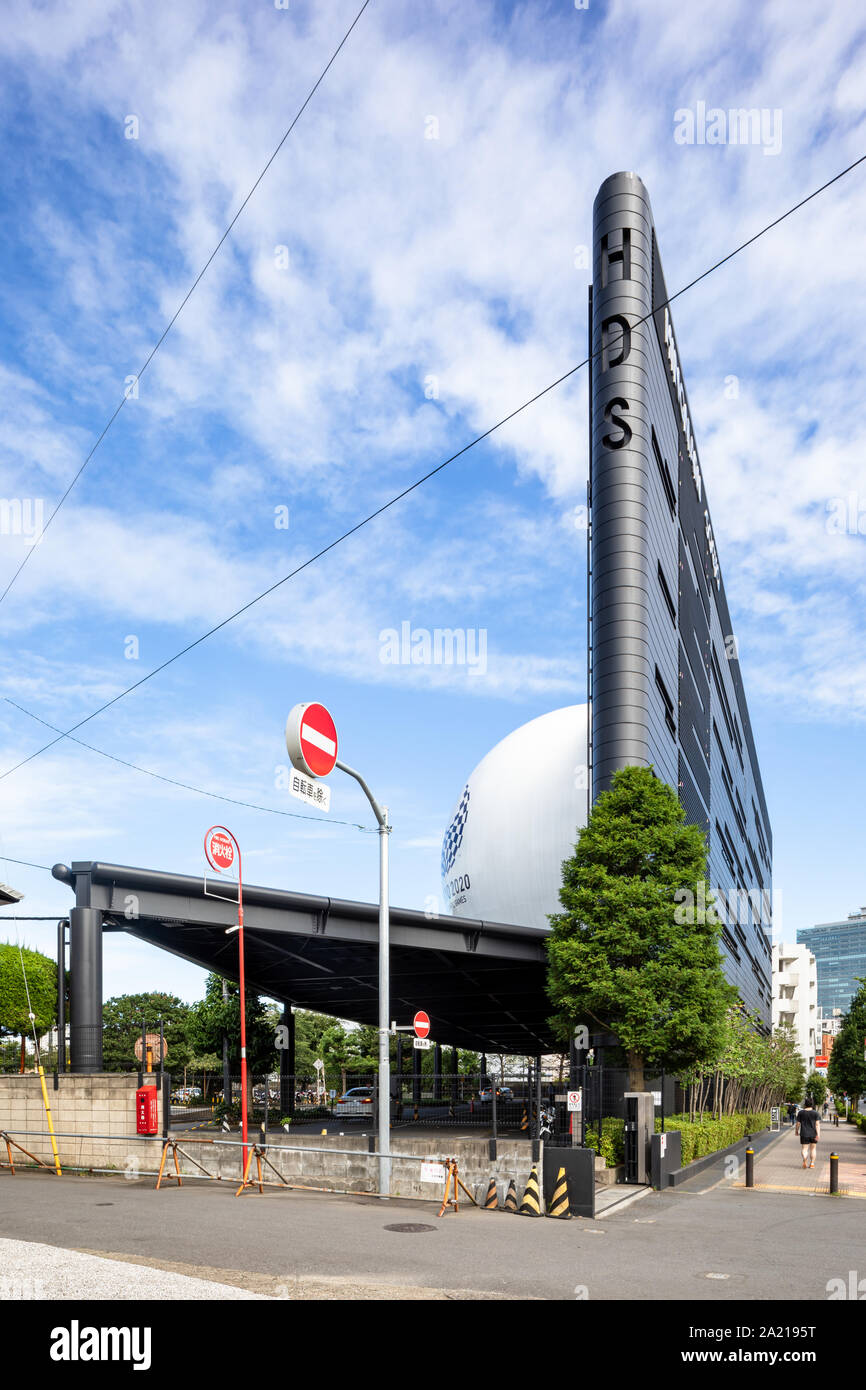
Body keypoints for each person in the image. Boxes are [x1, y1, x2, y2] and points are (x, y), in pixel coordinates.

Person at [795, 1096, 821, 1169]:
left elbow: (798, 1123)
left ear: (805, 1104)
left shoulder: (801, 1112)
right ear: (812, 1104)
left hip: (804, 1133)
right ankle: (812, 1163)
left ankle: (804, 1159)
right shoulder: (815, 1113)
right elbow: (817, 1125)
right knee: (813, 1149)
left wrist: (796, 1131)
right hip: (813, 1133)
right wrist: (818, 1134)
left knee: (804, 1149)